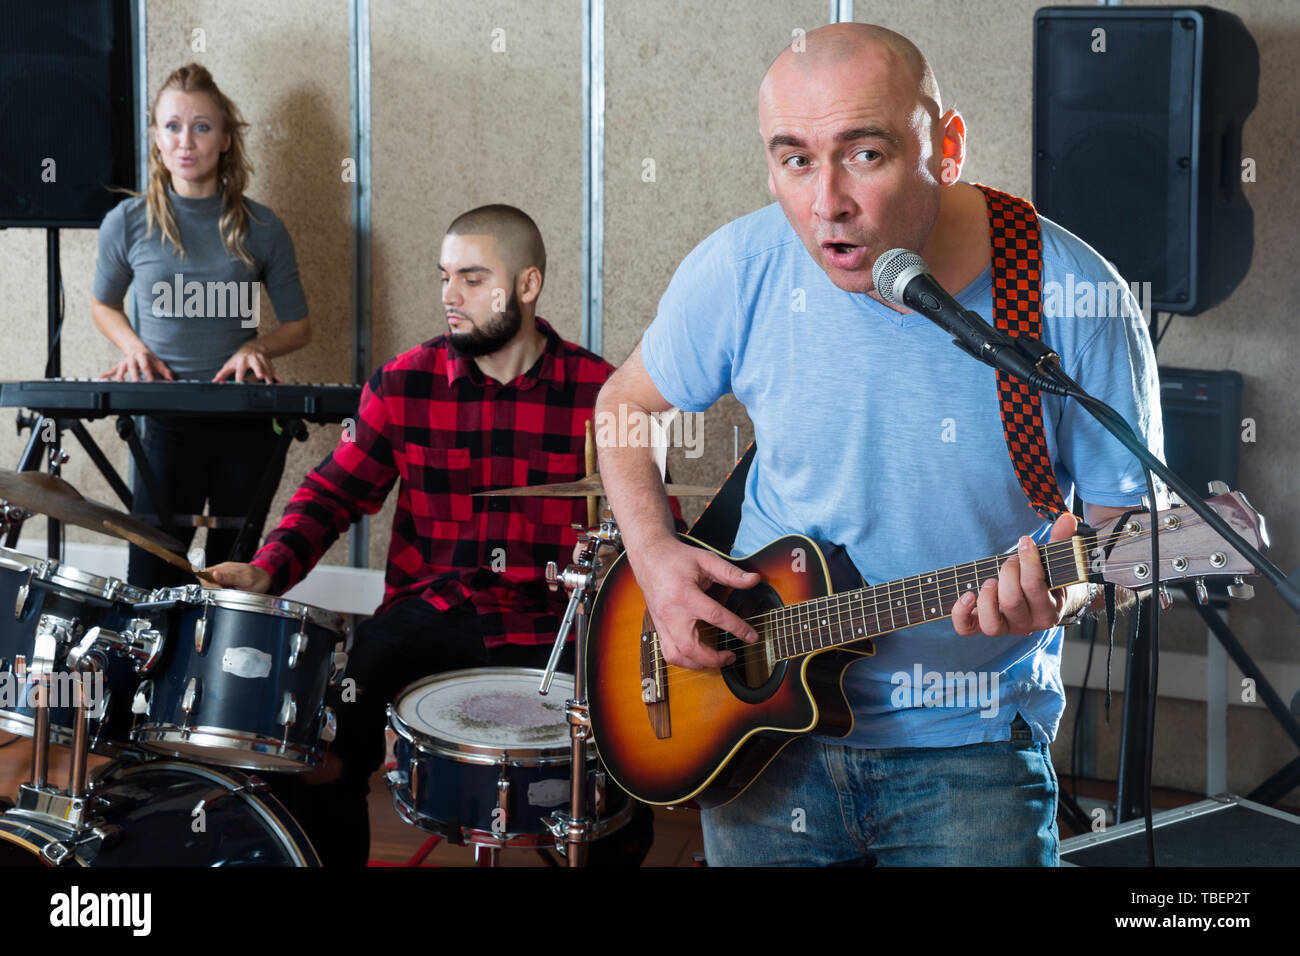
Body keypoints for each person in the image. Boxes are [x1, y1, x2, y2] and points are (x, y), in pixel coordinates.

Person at [593, 23, 1164, 866]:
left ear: (948, 146)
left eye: (865, 154)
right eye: (794, 159)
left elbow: (1131, 545)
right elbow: (624, 406)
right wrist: (652, 553)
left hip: (970, 757)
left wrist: (1067, 596)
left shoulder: (1072, 296)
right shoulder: (744, 267)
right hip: (758, 732)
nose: (827, 203)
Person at [209, 204, 658, 866]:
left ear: (527, 285)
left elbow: (650, 532)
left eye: (472, 279)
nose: (450, 296)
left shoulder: (604, 393)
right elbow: (332, 494)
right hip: (431, 610)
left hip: (555, 620)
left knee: (615, 792)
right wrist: (267, 569)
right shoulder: (403, 384)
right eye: (444, 277)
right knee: (322, 743)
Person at [91, 63, 311, 589]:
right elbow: (103, 306)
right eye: (172, 126)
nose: (185, 140)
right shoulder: (127, 222)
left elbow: (299, 326)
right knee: (149, 580)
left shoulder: (263, 227)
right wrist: (133, 347)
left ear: (225, 139)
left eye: (202, 126)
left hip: (247, 423)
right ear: (156, 138)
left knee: (227, 584)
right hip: (165, 424)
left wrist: (257, 345)